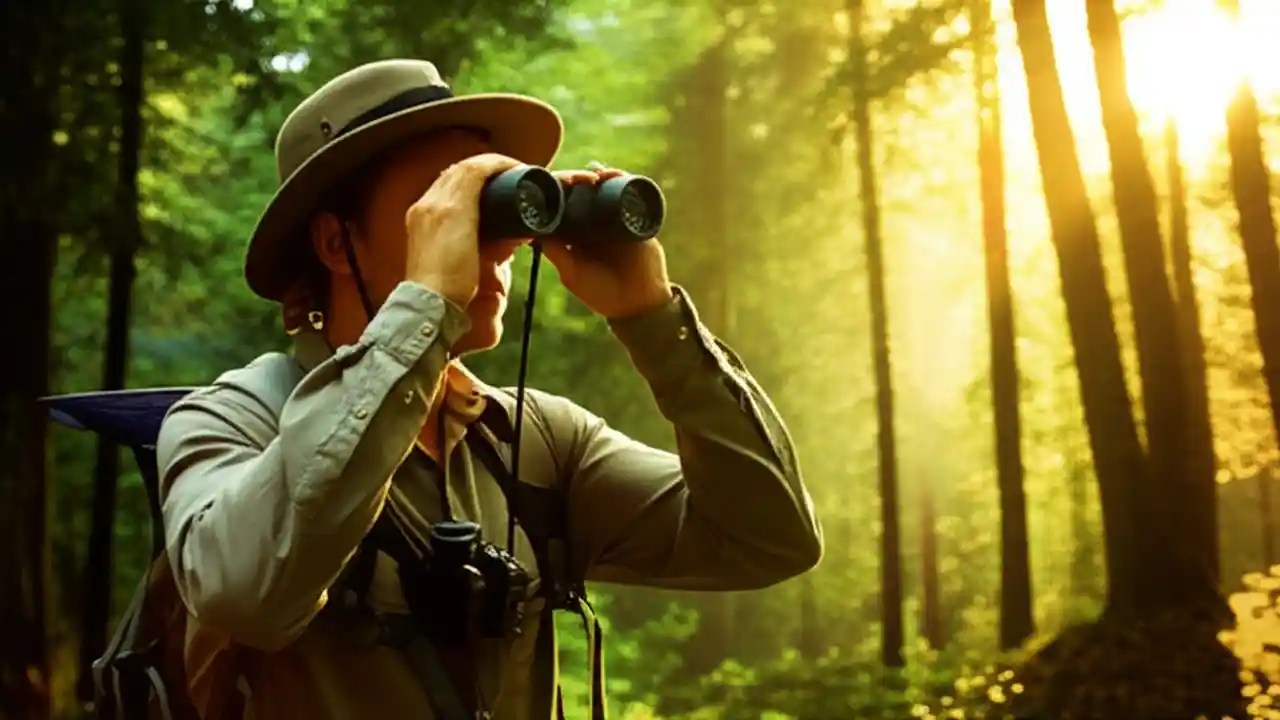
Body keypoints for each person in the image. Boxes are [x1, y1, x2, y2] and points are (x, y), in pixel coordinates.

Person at [156, 58, 822, 720]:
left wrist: (653, 321)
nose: (500, 246)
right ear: (335, 242)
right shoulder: (229, 422)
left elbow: (768, 537)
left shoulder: (533, 442)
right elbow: (248, 597)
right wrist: (425, 306)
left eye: (494, 206)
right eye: (445, 208)